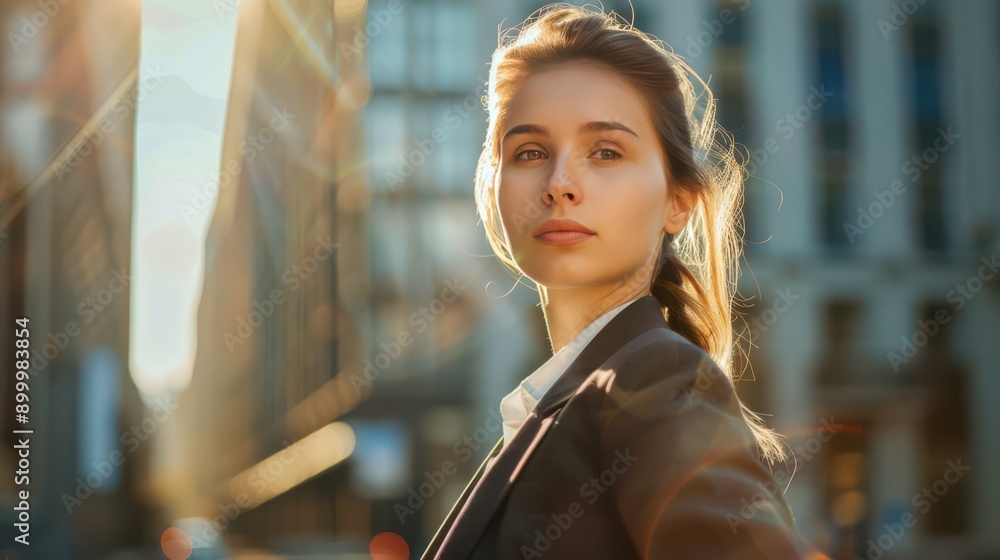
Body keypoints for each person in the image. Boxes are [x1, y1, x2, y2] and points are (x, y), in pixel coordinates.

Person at [421, 4, 827, 559]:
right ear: (493, 191)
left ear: (678, 203)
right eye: (529, 152)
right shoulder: (556, 404)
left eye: (606, 151)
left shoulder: (655, 378)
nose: (559, 183)